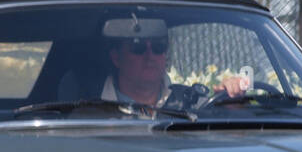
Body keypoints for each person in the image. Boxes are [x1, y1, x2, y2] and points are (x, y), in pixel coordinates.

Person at [101, 32, 250, 109]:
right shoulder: (85, 110)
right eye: (138, 47)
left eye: (158, 47)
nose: (150, 56)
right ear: (116, 58)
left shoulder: (195, 103)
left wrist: (233, 104)